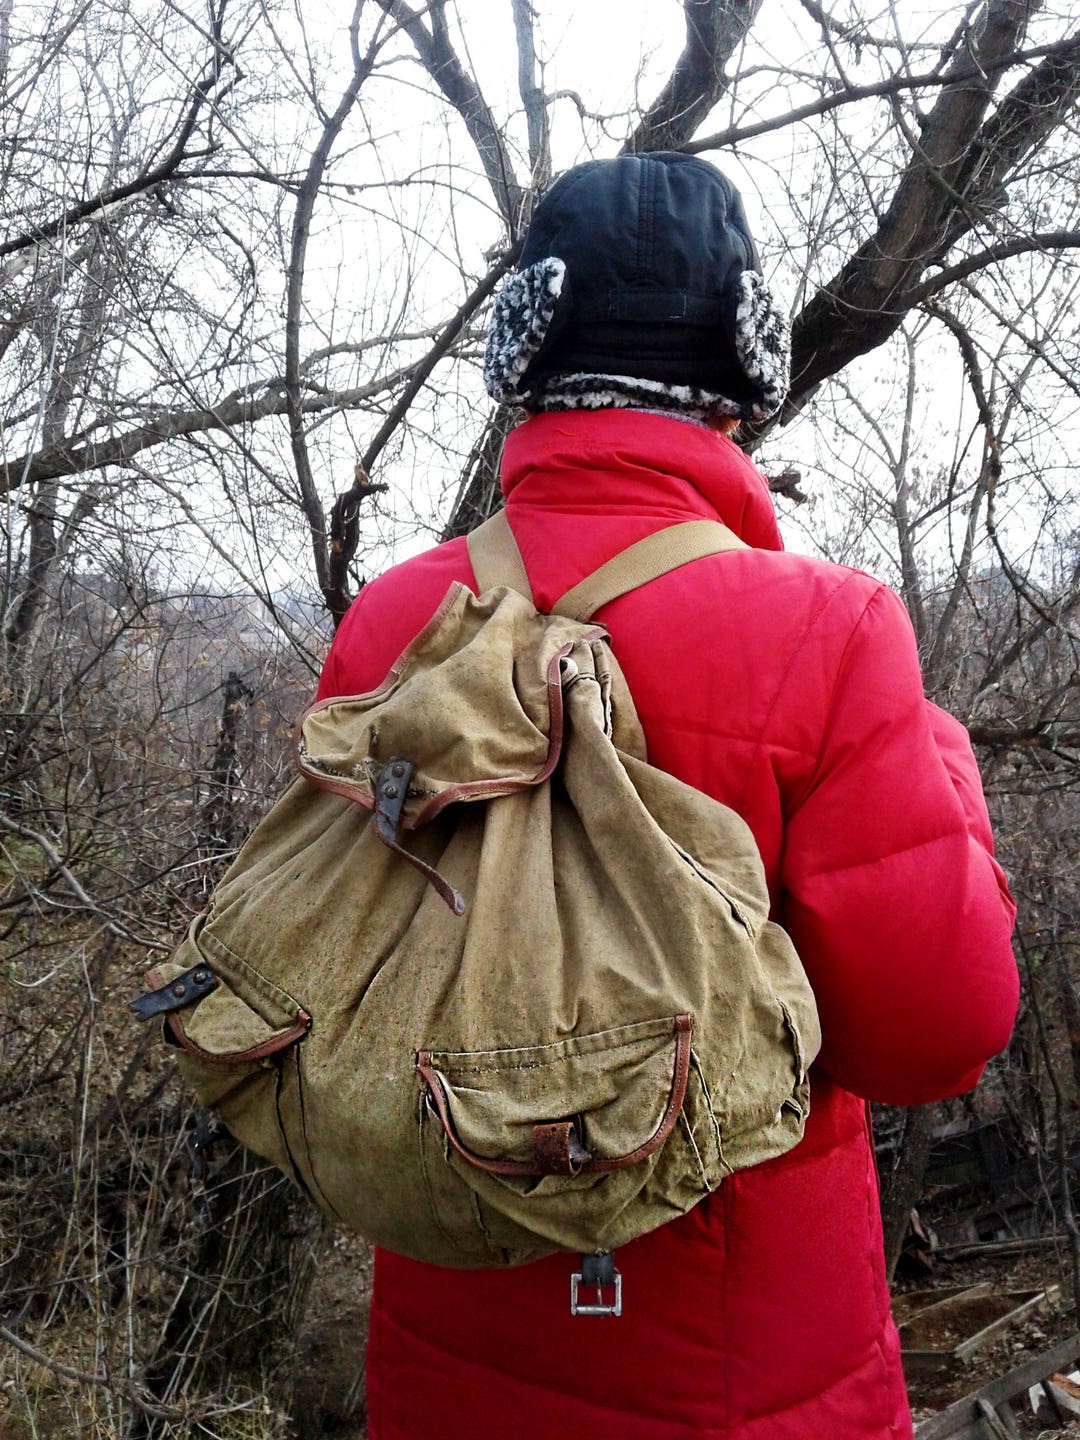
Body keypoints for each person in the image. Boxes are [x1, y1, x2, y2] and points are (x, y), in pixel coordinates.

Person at [316, 153, 1019, 1440]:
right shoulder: (830, 632)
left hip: (448, 1336)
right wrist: (945, 775)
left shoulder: (395, 620)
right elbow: (933, 1034)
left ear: (527, 352)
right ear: (743, 378)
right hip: (744, 1372)